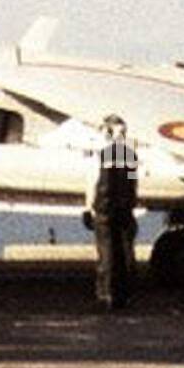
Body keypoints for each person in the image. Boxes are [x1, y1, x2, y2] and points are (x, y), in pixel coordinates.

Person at [82, 114, 138, 309]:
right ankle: (125, 294)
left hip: (105, 208)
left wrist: (89, 208)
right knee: (125, 253)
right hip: (125, 209)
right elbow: (133, 184)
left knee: (106, 254)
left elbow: (95, 182)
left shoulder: (101, 154)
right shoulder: (131, 155)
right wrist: (130, 205)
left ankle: (106, 294)